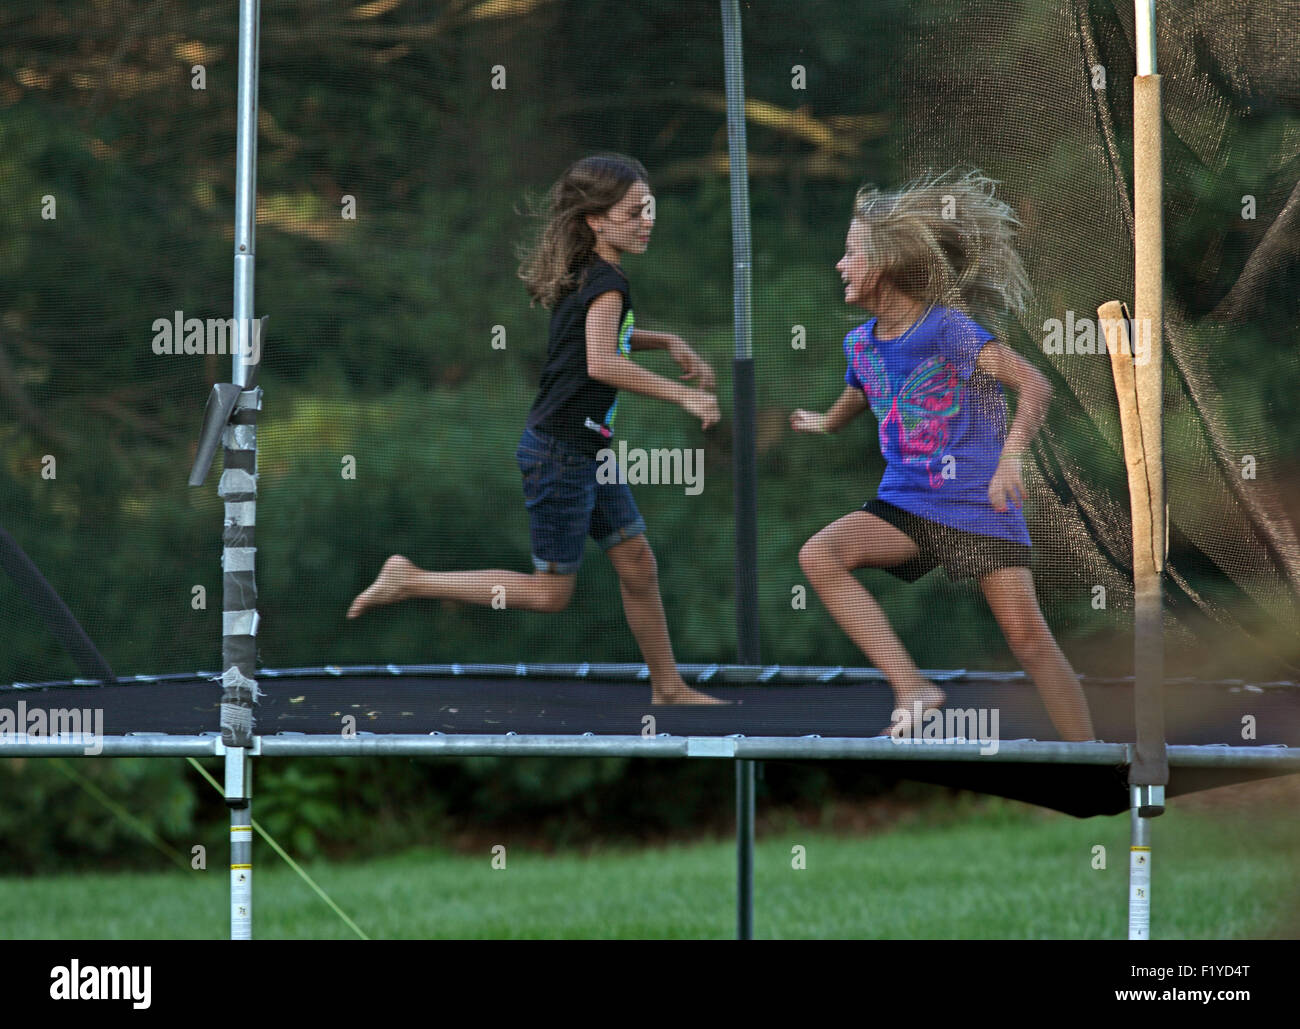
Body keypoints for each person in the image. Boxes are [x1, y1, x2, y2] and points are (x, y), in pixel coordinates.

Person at [349, 153, 724, 704]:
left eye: (650, 209)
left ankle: (668, 688)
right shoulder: (606, 283)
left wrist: (665, 340)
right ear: (596, 219)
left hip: (587, 448)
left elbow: (602, 341)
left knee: (638, 563)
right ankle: (411, 580)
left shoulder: (596, 277)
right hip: (561, 455)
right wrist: (684, 394)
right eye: (634, 212)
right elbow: (602, 363)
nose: (647, 221)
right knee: (551, 595)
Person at [790, 170, 1096, 740]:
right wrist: (825, 423)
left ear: (882, 263)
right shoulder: (860, 341)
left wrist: (1010, 460)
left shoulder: (950, 331)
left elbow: (1034, 385)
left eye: (851, 253)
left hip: (978, 503)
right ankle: (913, 687)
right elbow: (863, 387)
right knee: (820, 556)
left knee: (1029, 640)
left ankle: (1098, 762)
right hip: (908, 503)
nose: (840, 263)